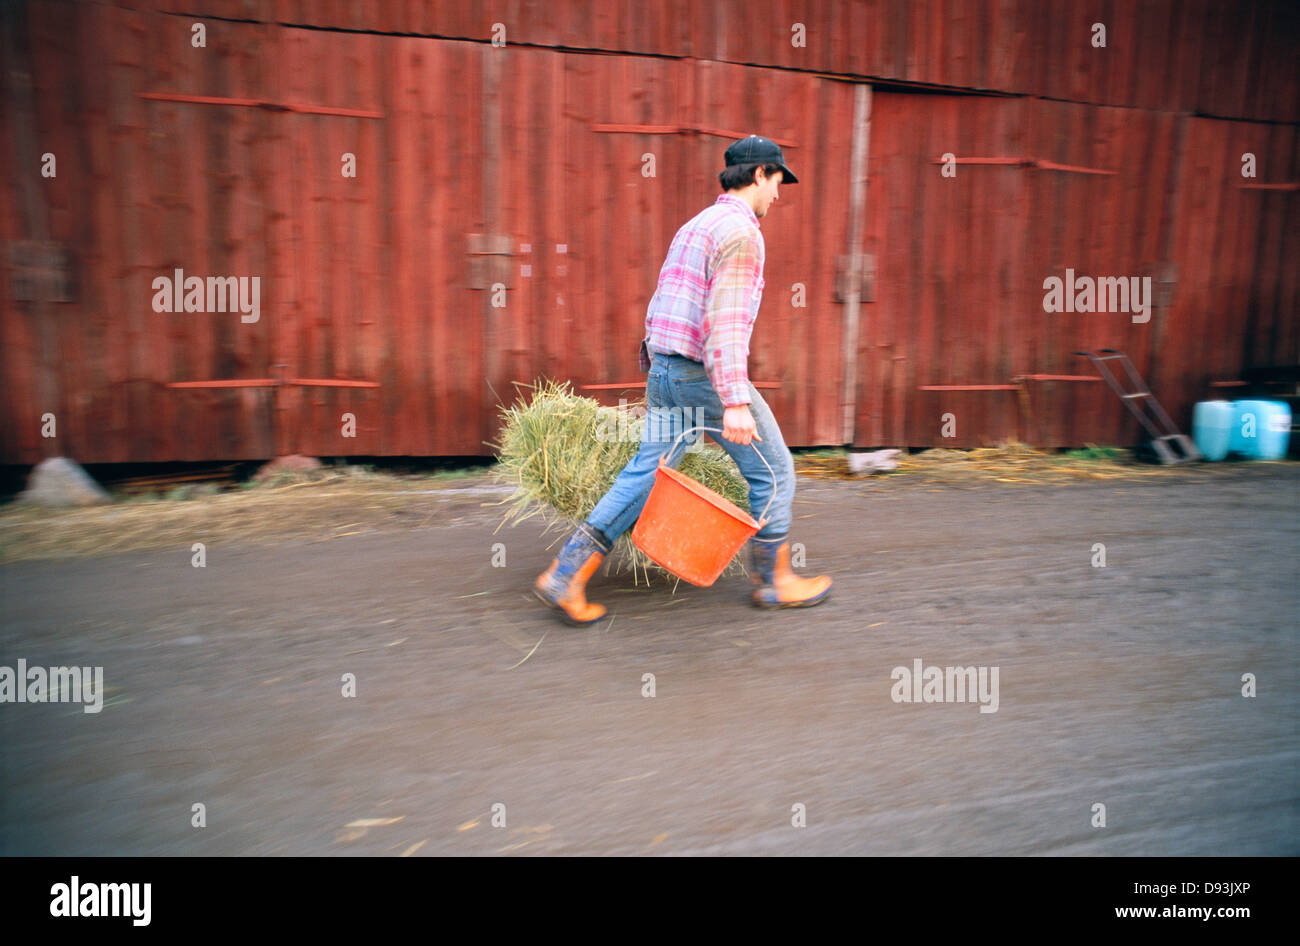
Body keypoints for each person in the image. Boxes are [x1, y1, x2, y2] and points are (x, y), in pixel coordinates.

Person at [534, 135, 832, 625]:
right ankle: (776, 580)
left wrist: (655, 360)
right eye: (779, 181)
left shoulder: (696, 225)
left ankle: (566, 573)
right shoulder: (742, 233)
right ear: (760, 174)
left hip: (666, 370)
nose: (779, 195)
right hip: (703, 377)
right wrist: (734, 400)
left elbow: (665, 300)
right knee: (774, 471)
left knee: (647, 473)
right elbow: (726, 324)